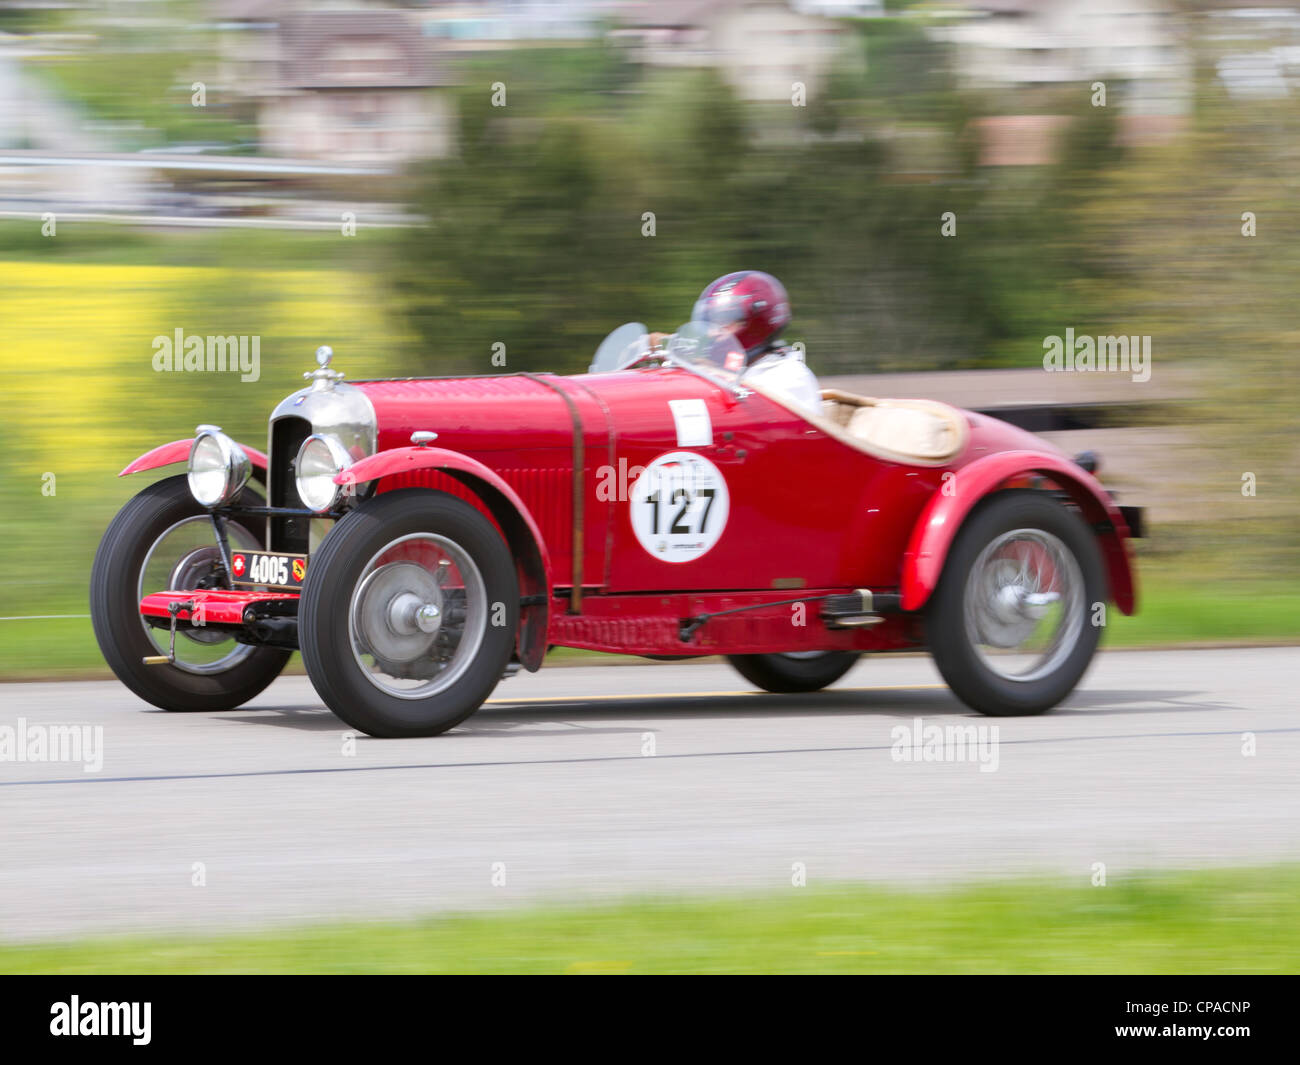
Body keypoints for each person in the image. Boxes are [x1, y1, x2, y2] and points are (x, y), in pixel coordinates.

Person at [688, 271, 822, 417]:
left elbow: (753, 421)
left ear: (759, 321)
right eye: (711, 321)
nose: (712, 332)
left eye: (725, 320)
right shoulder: (737, 369)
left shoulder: (789, 375)